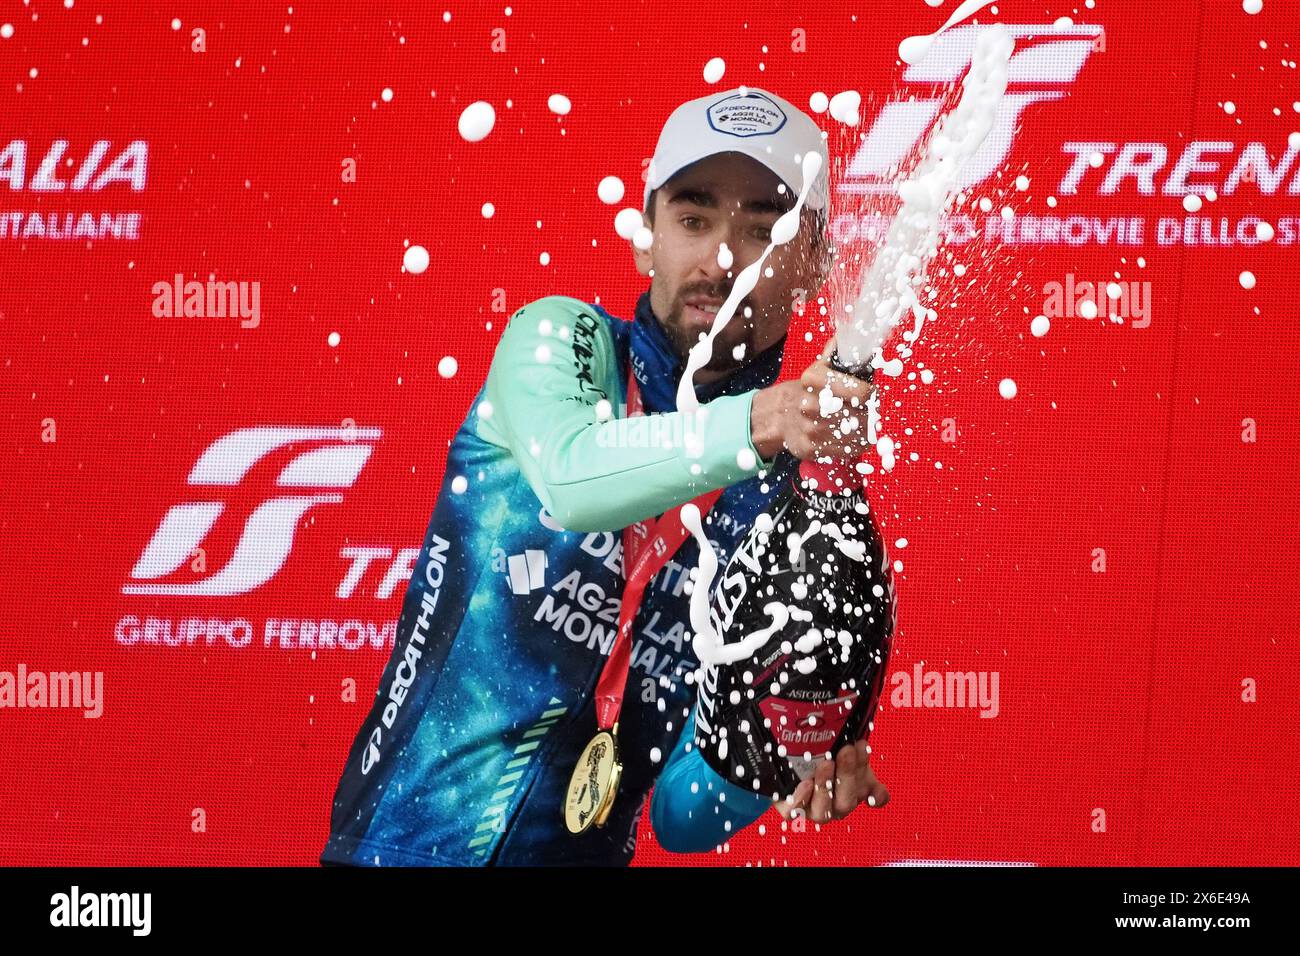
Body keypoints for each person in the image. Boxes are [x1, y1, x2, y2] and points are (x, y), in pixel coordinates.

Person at [320, 86, 886, 867]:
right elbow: (574, 478)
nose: (722, 259)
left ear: (816, 262)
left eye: (764, 231)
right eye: (693, 220)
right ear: (644, 237)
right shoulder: (561, 338)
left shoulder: (782, 511)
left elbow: (680, 818)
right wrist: (766, 419)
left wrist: (770, 752)